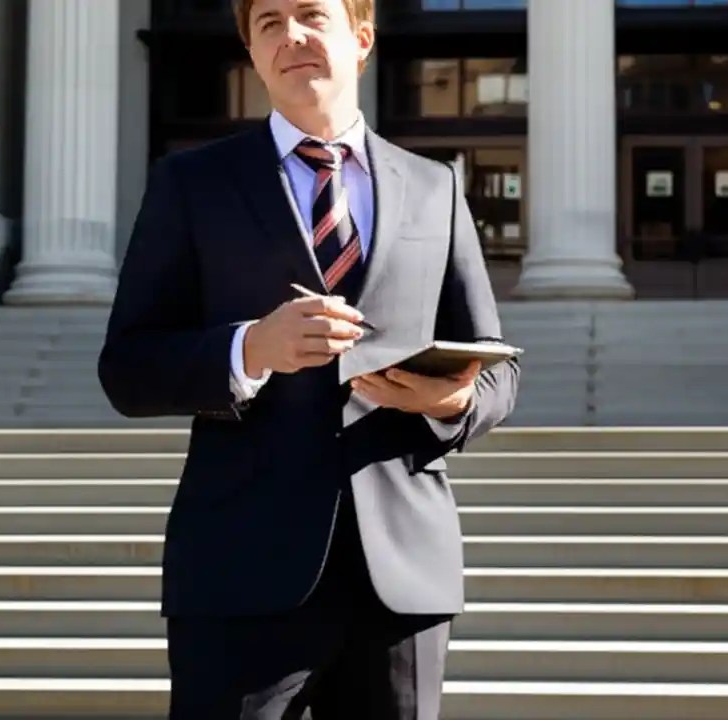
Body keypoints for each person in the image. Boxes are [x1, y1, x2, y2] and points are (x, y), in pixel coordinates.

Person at [97, 0, 520, 716]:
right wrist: (248, 349)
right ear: (254, 54)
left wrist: (448, 401)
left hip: (402, 577)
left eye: (309, 14)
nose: (289, 35)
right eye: (268, 23)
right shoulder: (189, 185)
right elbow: (127, 367)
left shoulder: (435, 187)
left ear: (361, 38)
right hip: (239, 570)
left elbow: (499, 369)